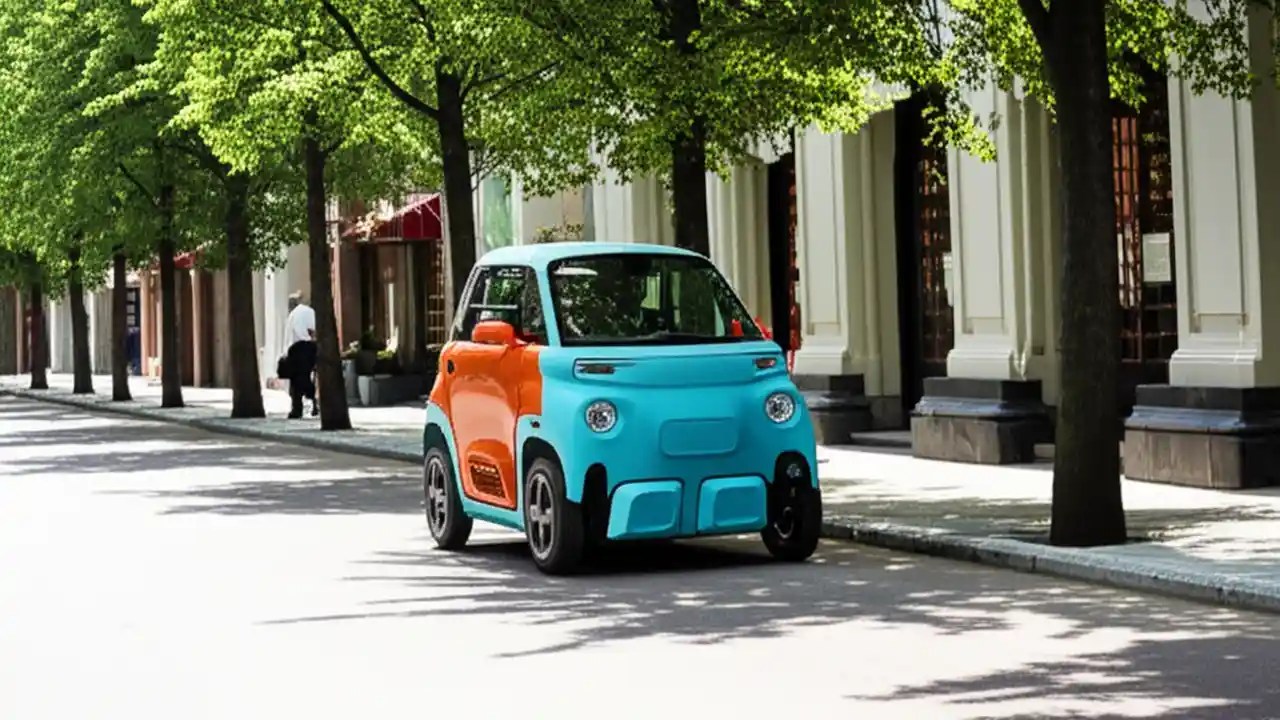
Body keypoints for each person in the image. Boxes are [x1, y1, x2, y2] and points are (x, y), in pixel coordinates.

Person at [284, 291, 317, 419]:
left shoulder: (293, 315)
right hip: (310, 347)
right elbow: (314, 329)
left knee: (297, 382)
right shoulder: (309, 312)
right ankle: (313, 403)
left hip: (297, 350)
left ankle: (297, 409)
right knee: (307, 378)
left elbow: (290, 337)